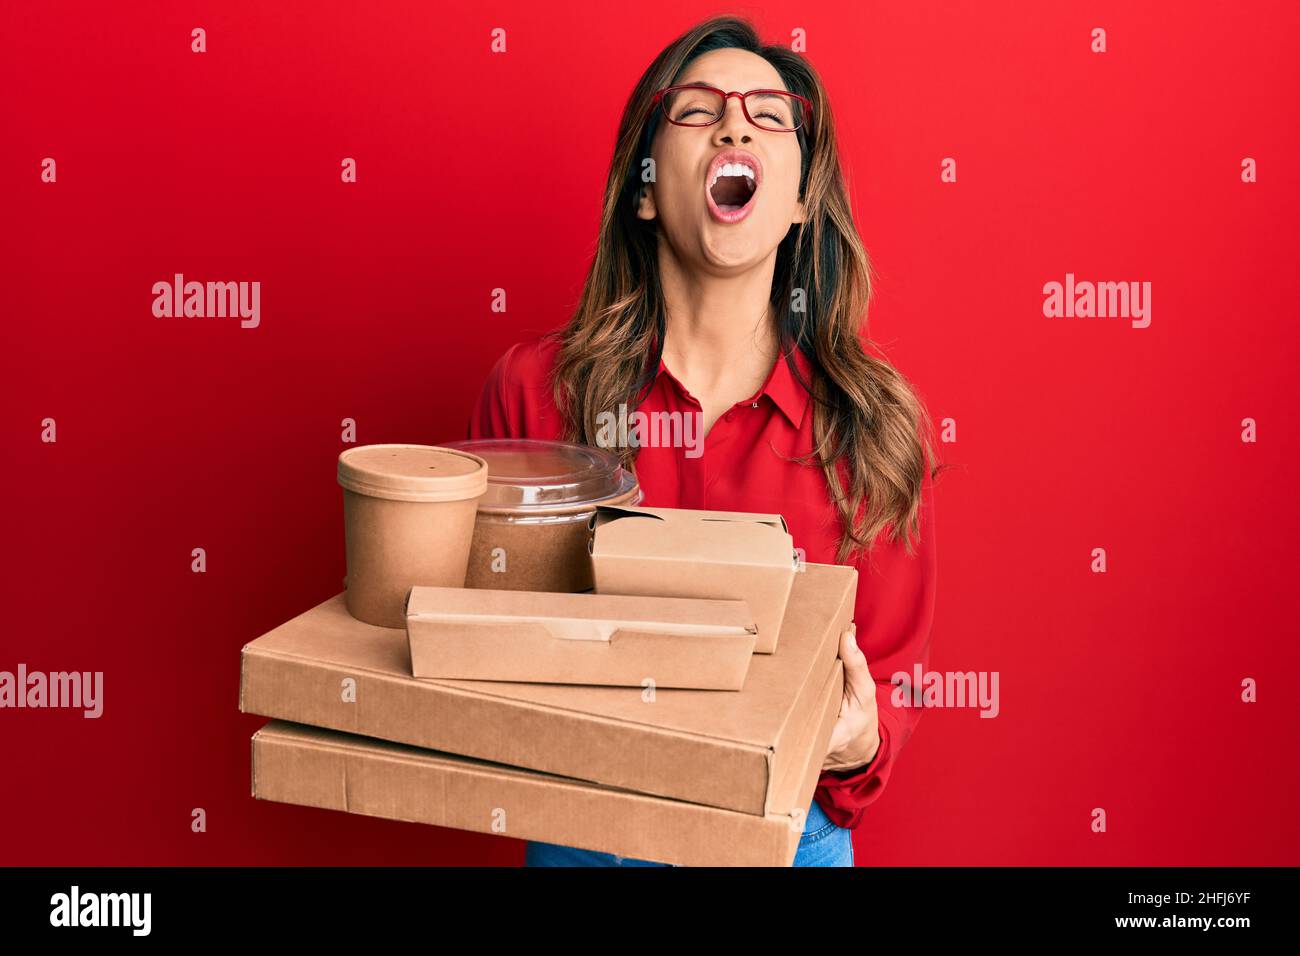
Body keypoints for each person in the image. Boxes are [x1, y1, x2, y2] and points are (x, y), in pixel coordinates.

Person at [468, 15, 944, 867]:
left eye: (770, 114)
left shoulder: (871, 431)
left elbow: (893, 678)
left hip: (788, 835)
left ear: (801, 198)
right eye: (696, 110)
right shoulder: (535, 395)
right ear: (645, 188)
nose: (734, 122)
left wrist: (858, 742)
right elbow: (481, 638)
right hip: (586, 827)